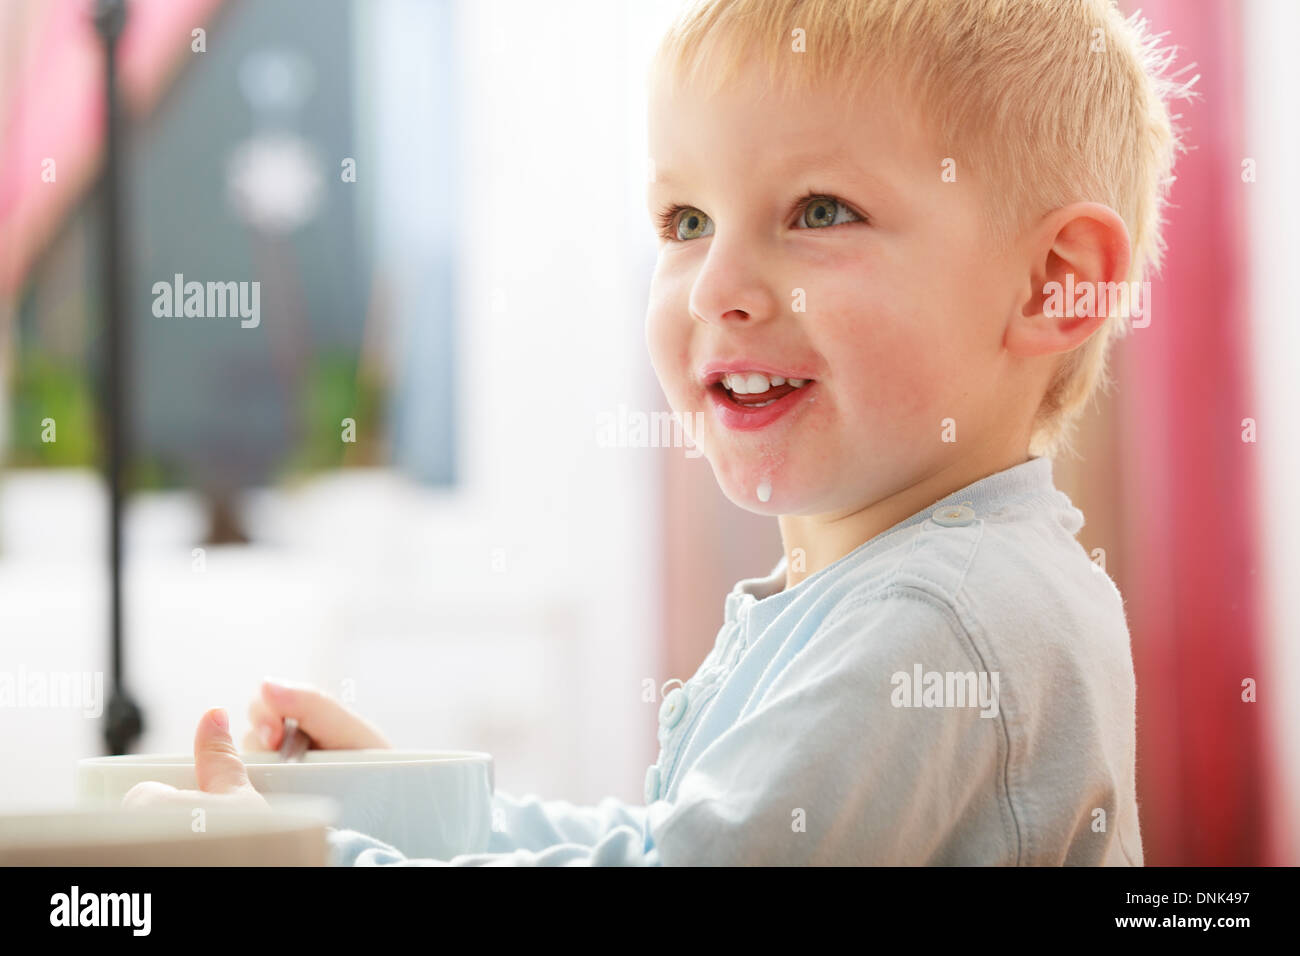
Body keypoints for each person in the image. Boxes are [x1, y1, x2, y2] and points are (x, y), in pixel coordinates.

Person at [128, 0, 1193, 864]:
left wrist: (297, 860)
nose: (715, 286)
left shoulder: (936, 616)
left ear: (1054, 284)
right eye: (684, 222)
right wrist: (393, 811)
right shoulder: (908, 585)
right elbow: (663, 845)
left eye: (819, 210)